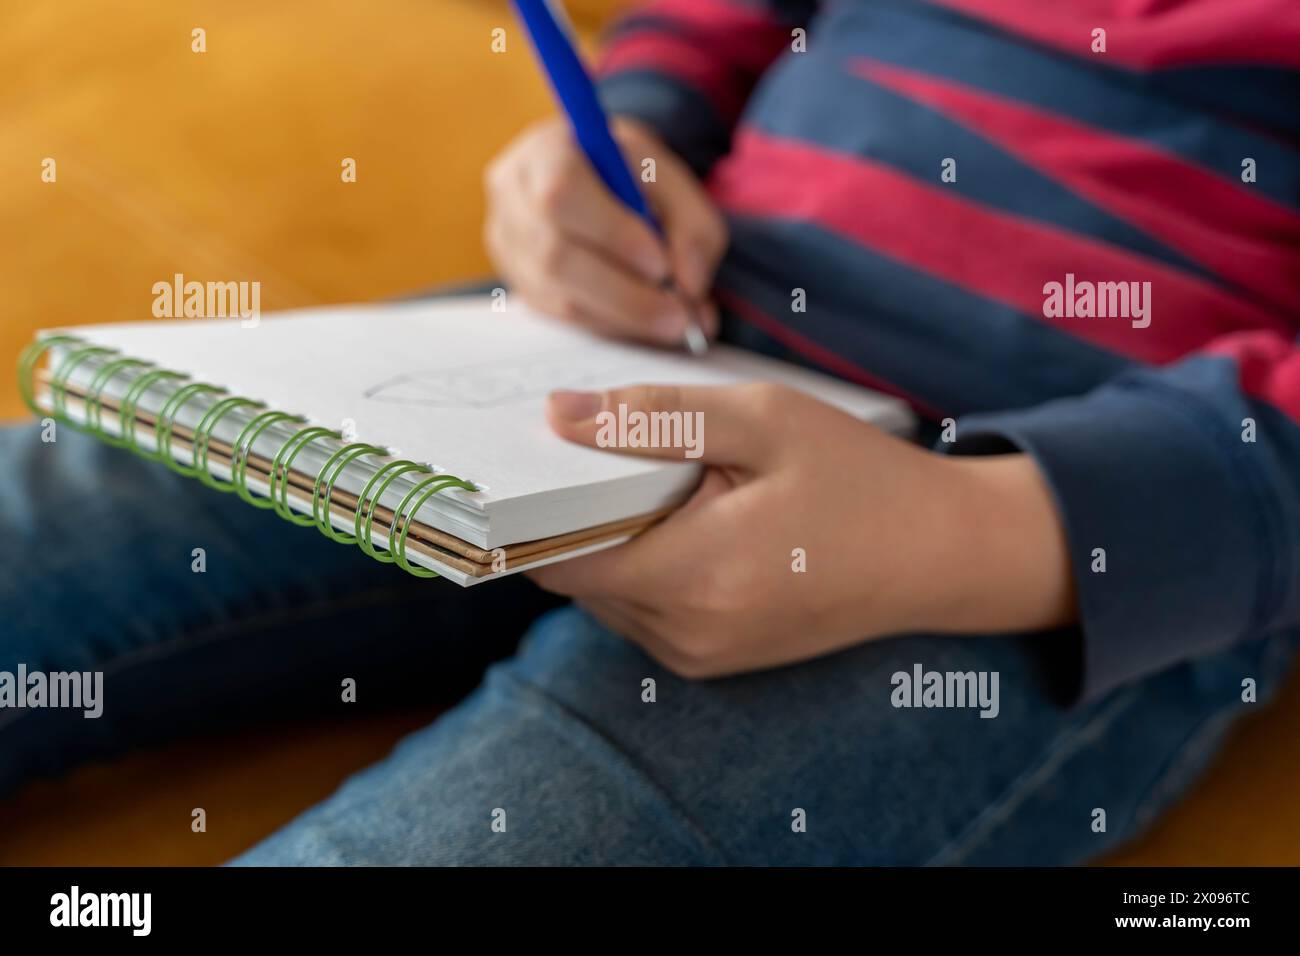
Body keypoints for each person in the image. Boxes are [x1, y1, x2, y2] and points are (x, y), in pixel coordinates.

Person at [4, 0, 1298, 865]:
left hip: (1061, 527)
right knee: (47, 522)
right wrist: (617, 138)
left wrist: (972, 529)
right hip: (650, 325)